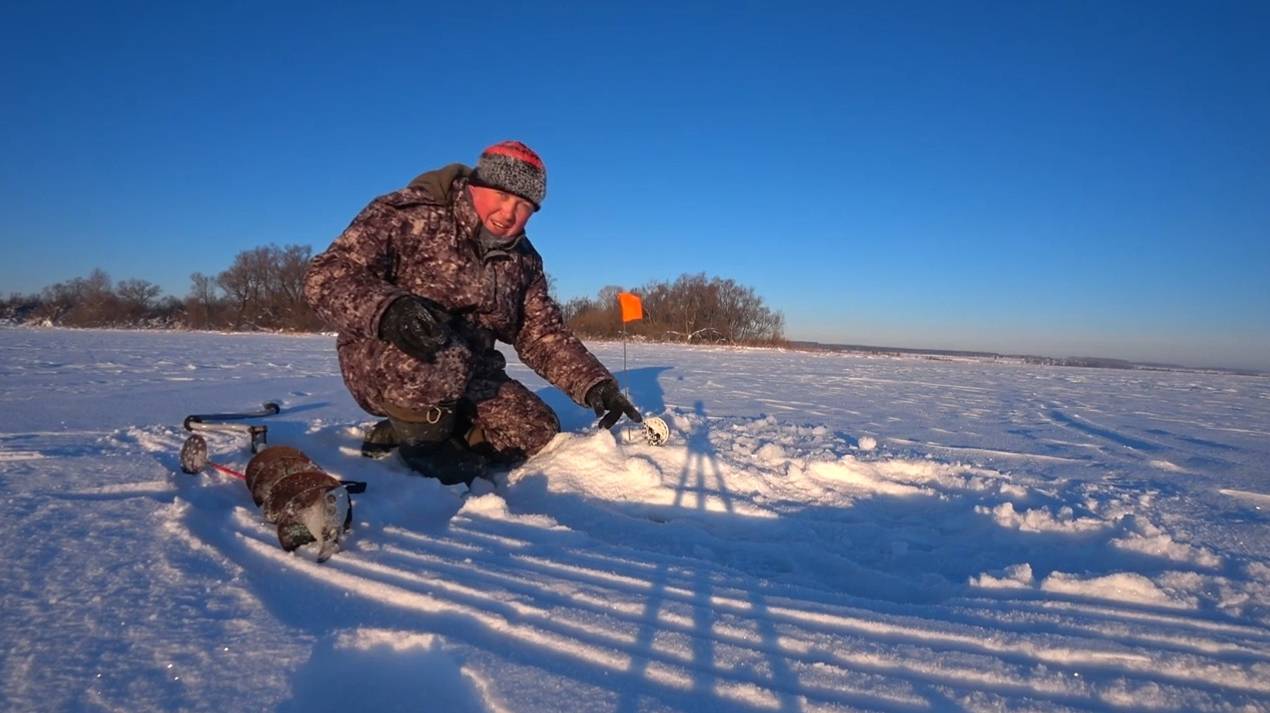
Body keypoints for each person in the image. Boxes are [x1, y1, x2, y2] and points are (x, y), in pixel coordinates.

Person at [304, 141, 641, 484]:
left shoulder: (523, 260)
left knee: (536, 428)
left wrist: (595, 384)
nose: (508, 213)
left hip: (468, 371)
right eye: (501, 195)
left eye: (523, 205)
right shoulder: (408, 214)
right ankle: (423, 445)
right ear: (475, 186)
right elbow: (325, 276)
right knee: (444, 350)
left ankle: (419, 429)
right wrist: (389, 310)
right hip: (390, 359)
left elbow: (540, 332)